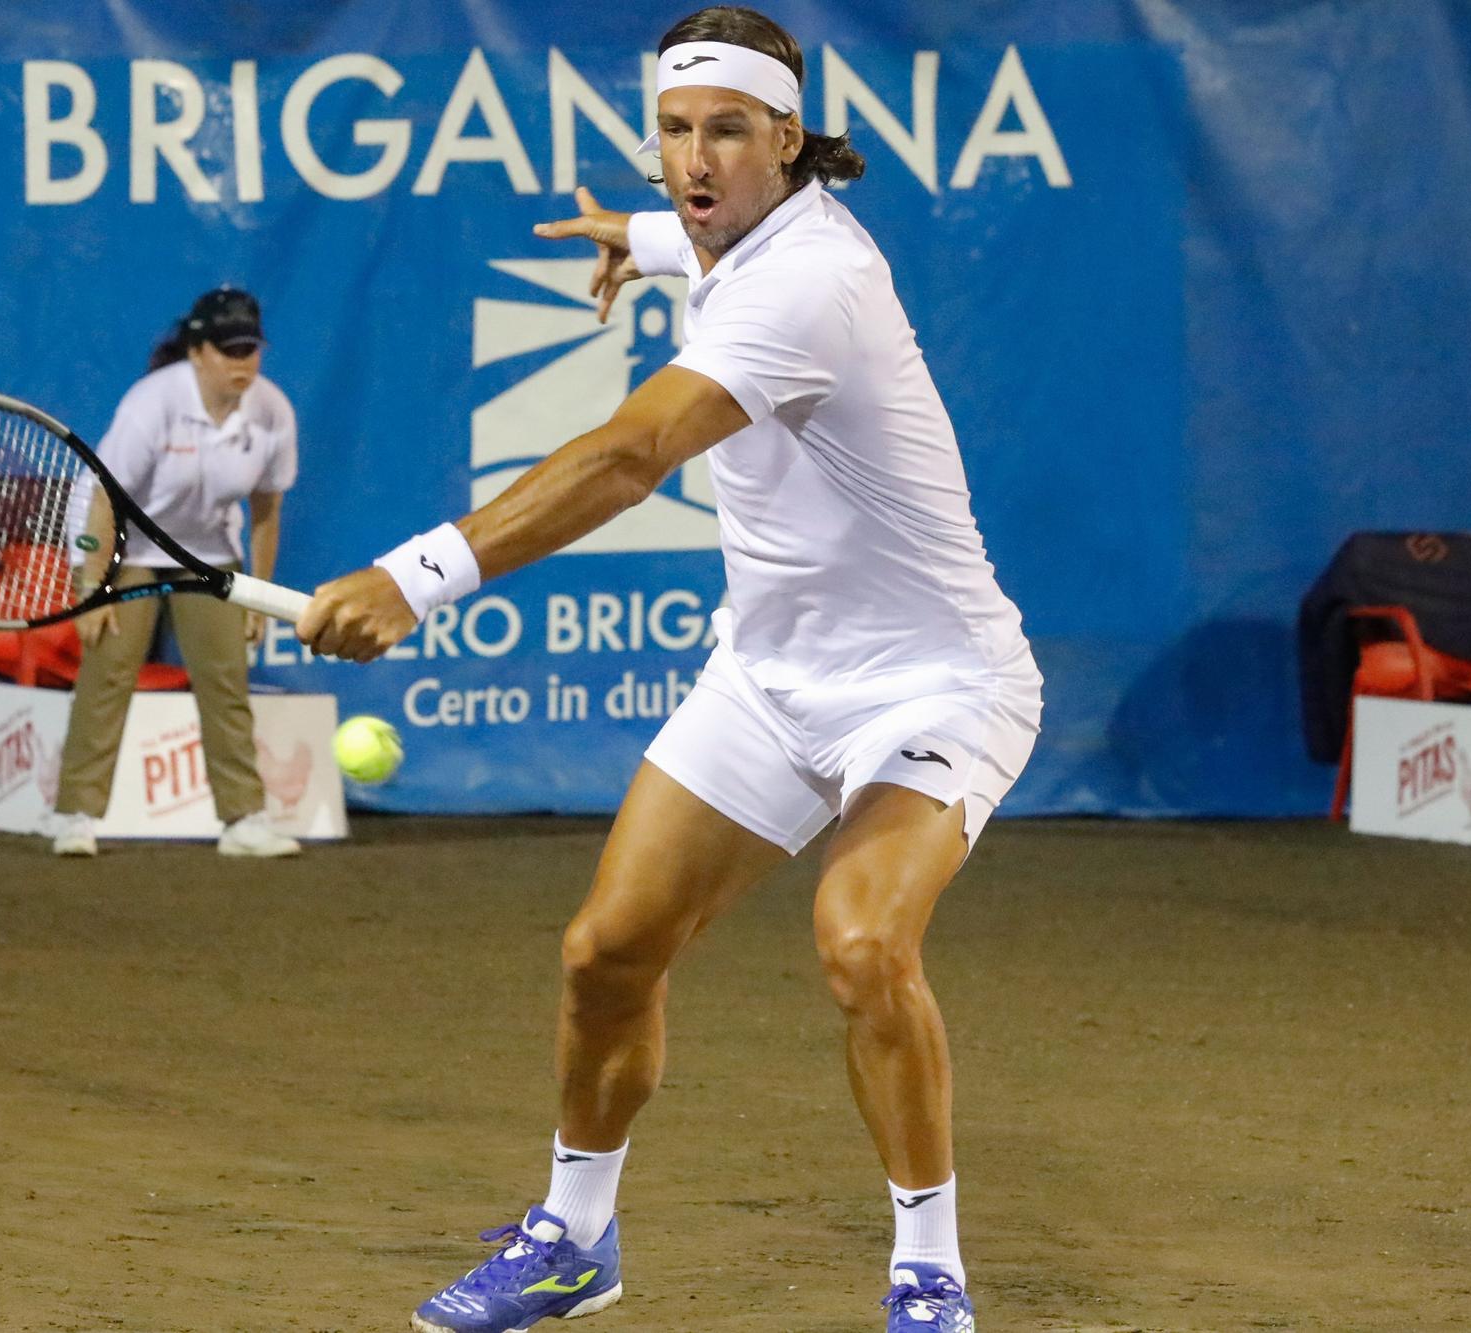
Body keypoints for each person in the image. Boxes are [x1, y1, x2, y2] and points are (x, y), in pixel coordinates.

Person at [298, 8, 1039, 1329]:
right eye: (676, 133)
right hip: (768, 677)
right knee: (607, 953)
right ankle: (576, 1239)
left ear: (789, 140)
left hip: (935, 683)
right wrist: (638, 244)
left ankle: (930, 1271)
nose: (695, 162)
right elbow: (699, 242)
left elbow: (633, 456)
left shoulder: (809, 281)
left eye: (729, 134)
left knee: (864, 943)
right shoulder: (727, 237)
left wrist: (418, 578)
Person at [45, 286, 303, 859]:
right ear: (198, 352)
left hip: (207, 553)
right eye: (229, 349)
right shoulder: (152, 403)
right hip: (123, 546)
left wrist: (260, 596)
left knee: (226, 679)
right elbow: (103, 502)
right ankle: (75, 815)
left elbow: (266, 512)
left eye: (251, 349)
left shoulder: (272, 411)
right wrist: (92, 588)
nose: (243, 363)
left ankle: (244, 821)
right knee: (109, 673)